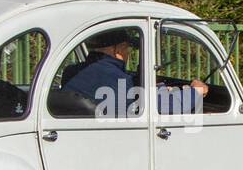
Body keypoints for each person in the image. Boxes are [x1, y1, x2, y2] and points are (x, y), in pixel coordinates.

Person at [63, 27, 208, 116]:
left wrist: (159, 88)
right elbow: (164, 105)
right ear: (117, 50)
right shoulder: (119, 80)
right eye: (127, 49)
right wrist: (196, 92)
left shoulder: (71, 72)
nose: (128, 53)